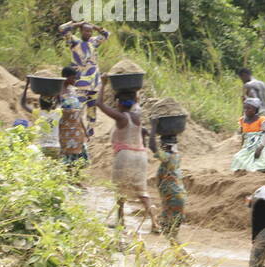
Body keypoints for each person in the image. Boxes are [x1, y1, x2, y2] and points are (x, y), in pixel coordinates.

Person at [96, 75, 159, 233]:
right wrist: (134, 89)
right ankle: (154, 222)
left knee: (119, 189)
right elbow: (135, 99)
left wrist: (103, 85)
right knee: (142, 190)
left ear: (118, 103)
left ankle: (121, 220)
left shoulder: (121, 117)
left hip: (125, 155)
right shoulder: (137, 117)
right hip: (141, 156)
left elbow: (99, 104)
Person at [58, 21, 109, 134]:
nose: (89, 33)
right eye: (86, 30)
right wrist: (80, 23)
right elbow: (62, 28)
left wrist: (94, 26)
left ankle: (90, 130)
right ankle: (75, 129)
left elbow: (106, 34)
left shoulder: (94, 42)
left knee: (92, 107)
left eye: (90, 31)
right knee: (78, 106)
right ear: (81, 31)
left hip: (94, 82)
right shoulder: (74, 42)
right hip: (80, 81)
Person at [151, 135, 187, 242]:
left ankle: (180, 255)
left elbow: (152, 146)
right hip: (178, 197)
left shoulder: (167, 157)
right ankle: (179, 254)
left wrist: (153, 127)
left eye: (162, 146)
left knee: (169, 231)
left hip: (173, 198)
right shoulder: (176, 156)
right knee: (172, 231)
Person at [57, 66, 91, 175]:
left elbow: (78, 111)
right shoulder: (58, 92)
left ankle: (76, 178)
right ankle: (68, 178)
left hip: (76, 127)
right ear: (66, 77)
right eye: (73, 78)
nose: (75, 80)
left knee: (79, 153)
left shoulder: (73, 91)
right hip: (65, 128)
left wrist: (84, 130)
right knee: (67, 154)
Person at [230, 99, 265, 175]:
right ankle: (239, 177)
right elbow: (244, 136)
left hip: (264, 143)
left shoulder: (262, 120)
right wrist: (243, 147)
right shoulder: (242, 120)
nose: (246, 110)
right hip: (249, 145)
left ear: (255, 110)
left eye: (249, 108)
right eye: (245, 108)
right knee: (238, 158)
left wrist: (260, 148)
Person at [18, 78, 62, 158]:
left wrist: (27, 85)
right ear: (52, 104)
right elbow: (59, 102)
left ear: (40, 104)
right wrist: (57, 87)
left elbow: (23, 104)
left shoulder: (38, 113)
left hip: (41, 147)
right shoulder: (58, 113)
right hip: (56, 147)